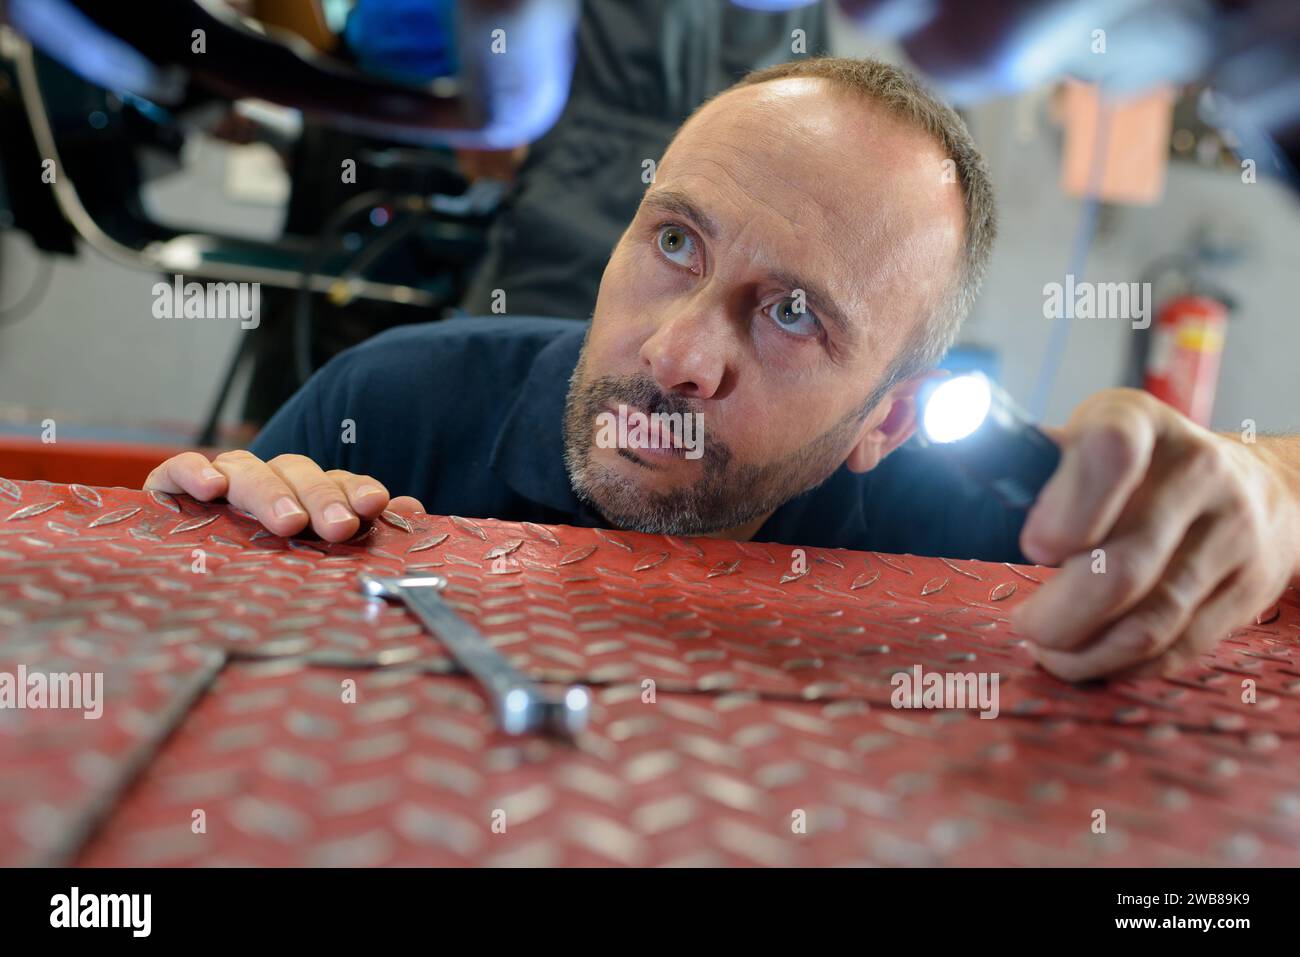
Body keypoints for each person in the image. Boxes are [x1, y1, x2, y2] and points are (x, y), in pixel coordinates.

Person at [145, 57, 1300, 683]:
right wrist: (215, 541)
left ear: (888, 422)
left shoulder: (966, 508)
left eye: (794, 314)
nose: (678, 356)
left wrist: (1263, 495)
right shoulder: (391, 405)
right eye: (676, 243)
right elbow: (168, 675)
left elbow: (1210, 504)